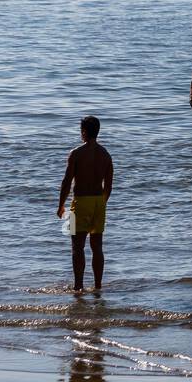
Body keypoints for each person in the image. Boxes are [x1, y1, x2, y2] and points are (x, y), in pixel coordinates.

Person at [56, 116, 113, 292]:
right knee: (97, 247)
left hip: (79, 203)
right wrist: (101, 203)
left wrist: (61, 205)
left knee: (77, 246)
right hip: (99, 202)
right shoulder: (105, 155)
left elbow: (67, 182)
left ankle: (78, 286)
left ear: (83, 132)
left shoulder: (76, 154)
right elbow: (109, 186)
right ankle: (97, 286)